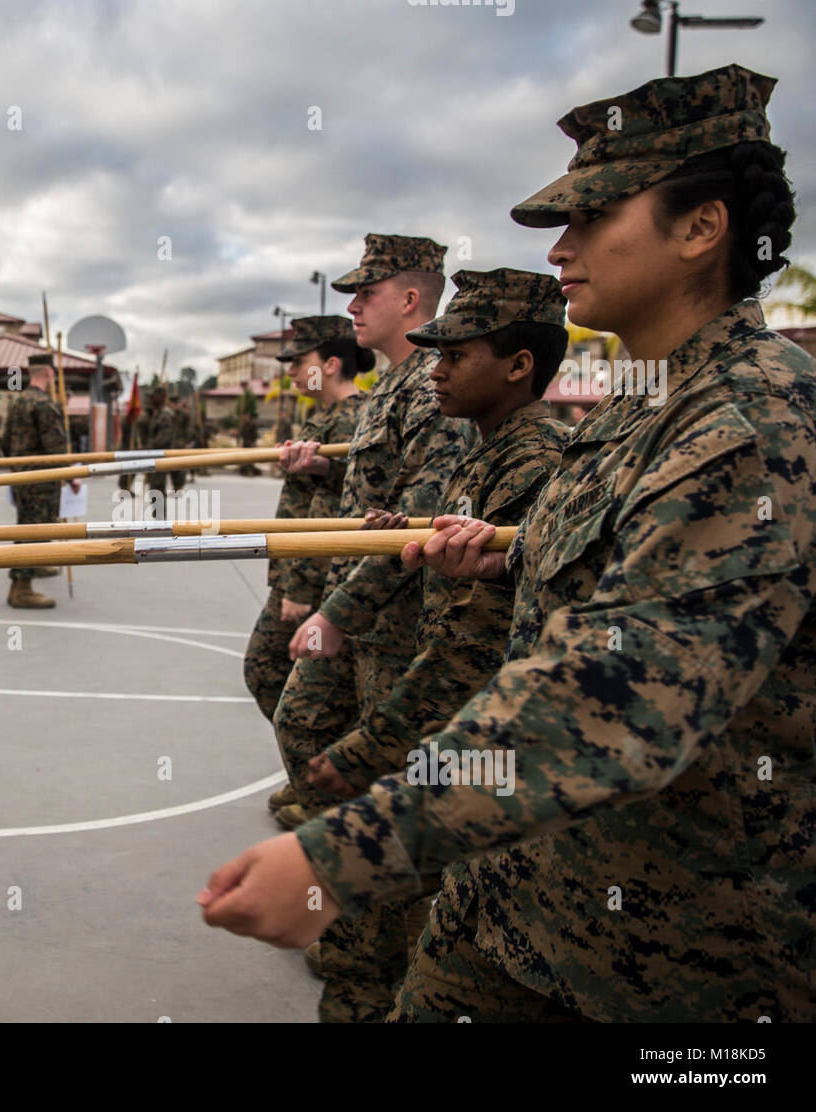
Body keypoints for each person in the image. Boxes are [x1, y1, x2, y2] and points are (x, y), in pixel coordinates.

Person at [200, 64, 816, 1024]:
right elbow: (629, 562)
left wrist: (345, 850)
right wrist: (518, 549)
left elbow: (618, 698)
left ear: (702, 229)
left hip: (671, 958)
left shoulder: (749, 421)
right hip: (525, 896)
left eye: (593, 216)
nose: (564, 248)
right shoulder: (651, 398)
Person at [301, 269, 571, 1021]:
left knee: (404, 891)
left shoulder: (532, 461)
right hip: (464, 731)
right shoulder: (491, 451)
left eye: (458, 355)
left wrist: (365, 749)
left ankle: (363, 983)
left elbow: (471, 649)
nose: (439, 371)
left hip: (485, 741)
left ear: (519, 366)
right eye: (436, 354)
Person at [242, 316, 366, 811]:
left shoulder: (355, 418)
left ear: (331, 364)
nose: (290, 371)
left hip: (317, 579)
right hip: (298, 570)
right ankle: (314, 779)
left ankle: (326, 791)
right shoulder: (323, 417)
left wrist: (301, 586)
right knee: (287, 682)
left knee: (272, 671)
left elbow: (336, 512)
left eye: (299, 361)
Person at [1, 353, 78, 608]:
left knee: (26, 527)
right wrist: (71, 477)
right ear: (48, 373)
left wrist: (17, 465)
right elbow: (56, 447)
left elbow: (5, 442)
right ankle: (21, 588)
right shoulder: (45, 404)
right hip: (42, 480)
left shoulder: (18, 401)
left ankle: (32, 568)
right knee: (34, 531)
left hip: (22, 477)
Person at [141, 384, 174, 518]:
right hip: (154, 457)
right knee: (154, 488)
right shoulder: (157, 414)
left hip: (159, 457)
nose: (151, 399)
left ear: (160, 397)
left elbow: (163, 439)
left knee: (157, 488)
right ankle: (158, 517)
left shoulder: (165, 415)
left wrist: (148, 448)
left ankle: (161, 520)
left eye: (153, 397)